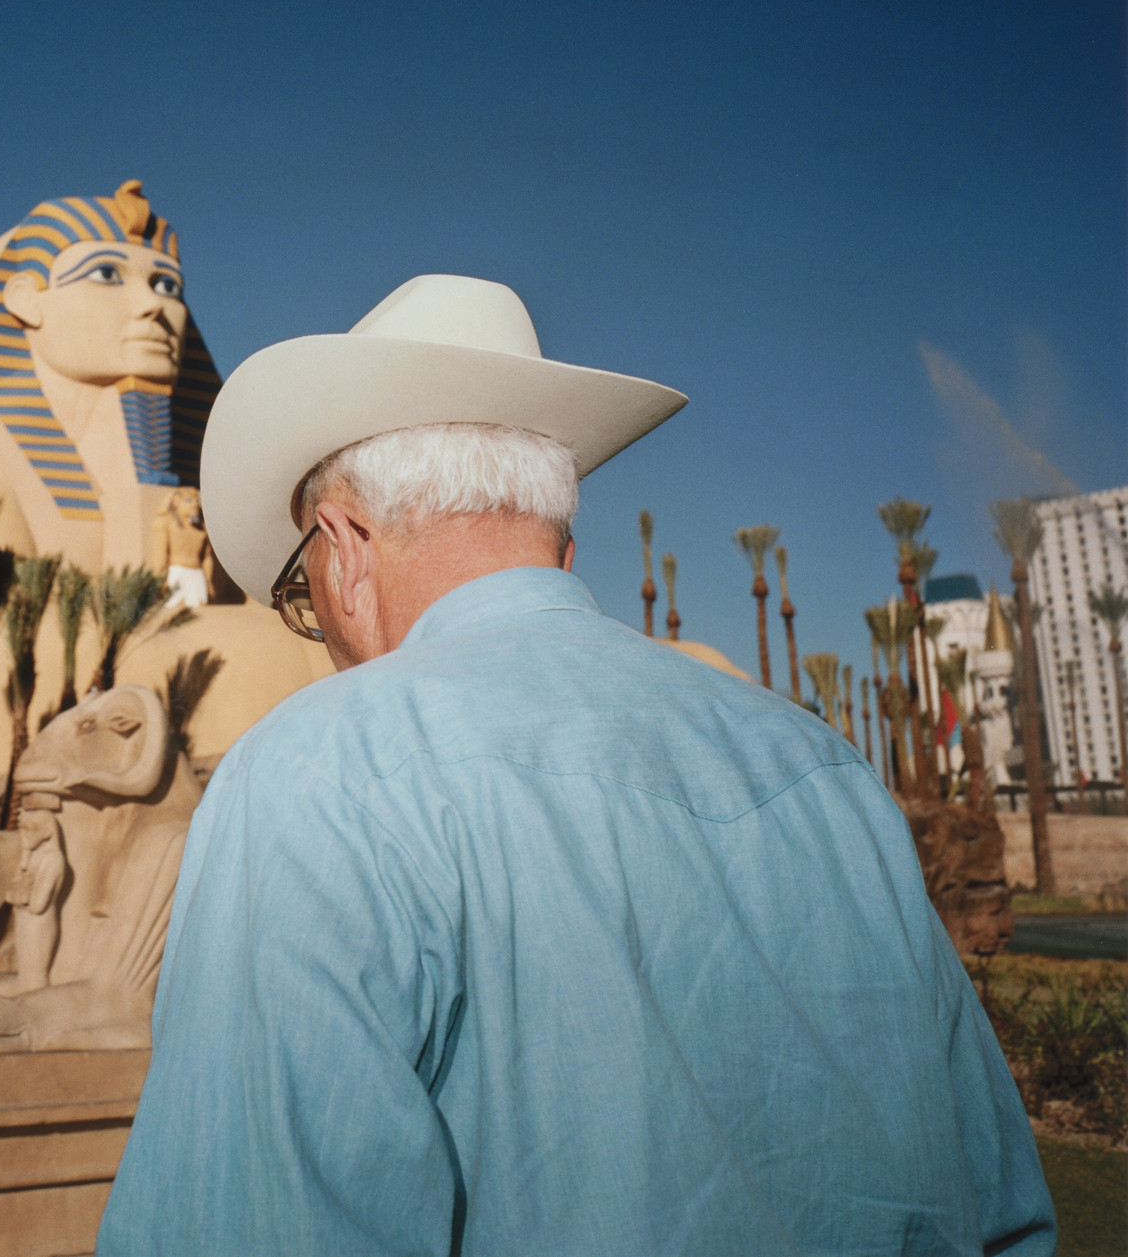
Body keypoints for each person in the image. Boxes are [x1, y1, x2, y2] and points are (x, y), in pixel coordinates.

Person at [98, 275, 1051, 1255]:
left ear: (341, 548)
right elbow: (1000, 1212)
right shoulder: (822, 772)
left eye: (300, 593)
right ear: (558, 543)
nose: (320, 629)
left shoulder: (311, 778)